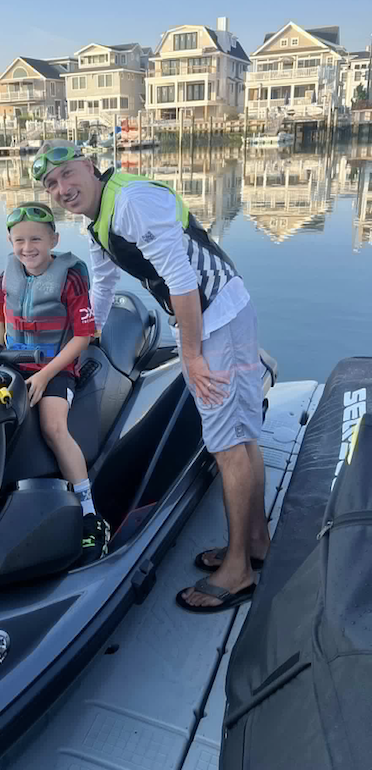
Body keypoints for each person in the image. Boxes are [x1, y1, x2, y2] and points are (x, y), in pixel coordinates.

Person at [33, 141, 269, 612]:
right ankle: (255, 542)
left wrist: (193, 356)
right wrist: (88, 337)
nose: (61, 189)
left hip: (214, 320)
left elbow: (182, 282)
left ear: (88, 164)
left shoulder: (132, 203)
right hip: (222, 313)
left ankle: (239, 569)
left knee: (226, 445)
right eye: (51, 185)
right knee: (239, 436)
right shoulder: (100, 221)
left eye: (66, 174)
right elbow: (103, 283)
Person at [0, 201, 110, 564]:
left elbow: (82, 337)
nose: (28, 248)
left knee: (53, 427)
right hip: (13, 365)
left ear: (53, 239)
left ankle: (90, 510)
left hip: (57, 367)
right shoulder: (6, 277)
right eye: (20, 241)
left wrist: (45, 375)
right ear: (11, 242)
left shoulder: (70, 279)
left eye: (36, 240)